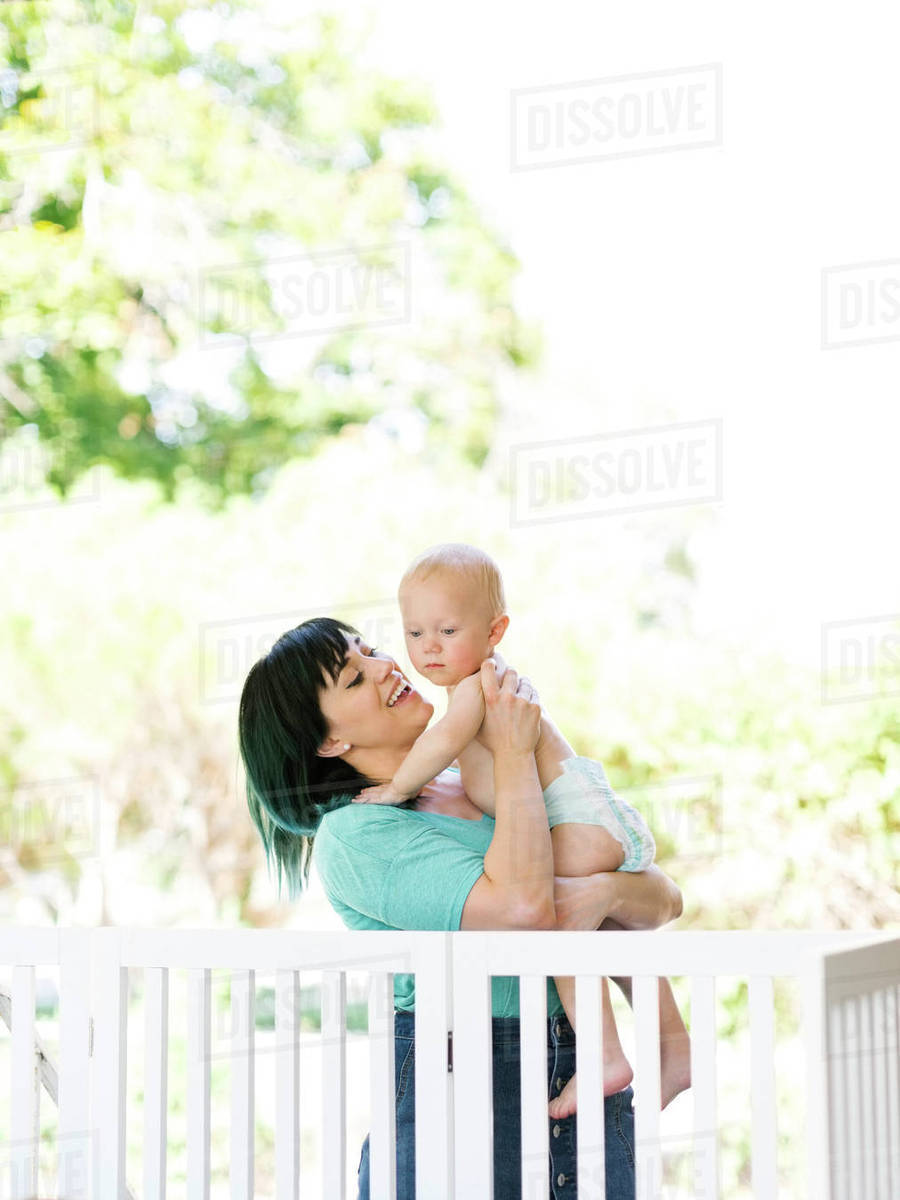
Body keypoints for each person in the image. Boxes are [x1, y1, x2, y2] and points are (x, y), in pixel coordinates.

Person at [238, 616, 684, 1199]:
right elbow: (525, 908)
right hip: (464, 1085)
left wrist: (604, 893)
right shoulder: (357, 835)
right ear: (329, 742)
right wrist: (514, 754)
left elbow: (662, 897)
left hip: (582, 1068)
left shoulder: (469, 777)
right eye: (353, 677)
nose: (385, 665)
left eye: (370, 649)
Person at [352, 543, 690, 1118]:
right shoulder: (488, 686)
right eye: (413, 633)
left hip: (575, 817)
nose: (428, 647)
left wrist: (396, 789)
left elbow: (439, 743)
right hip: (586, 811)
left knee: (549, 914)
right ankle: (673, 1044)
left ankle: (605, 1055)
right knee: (598, 922)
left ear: (494, 631)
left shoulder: (478, 690)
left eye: (447, 630)